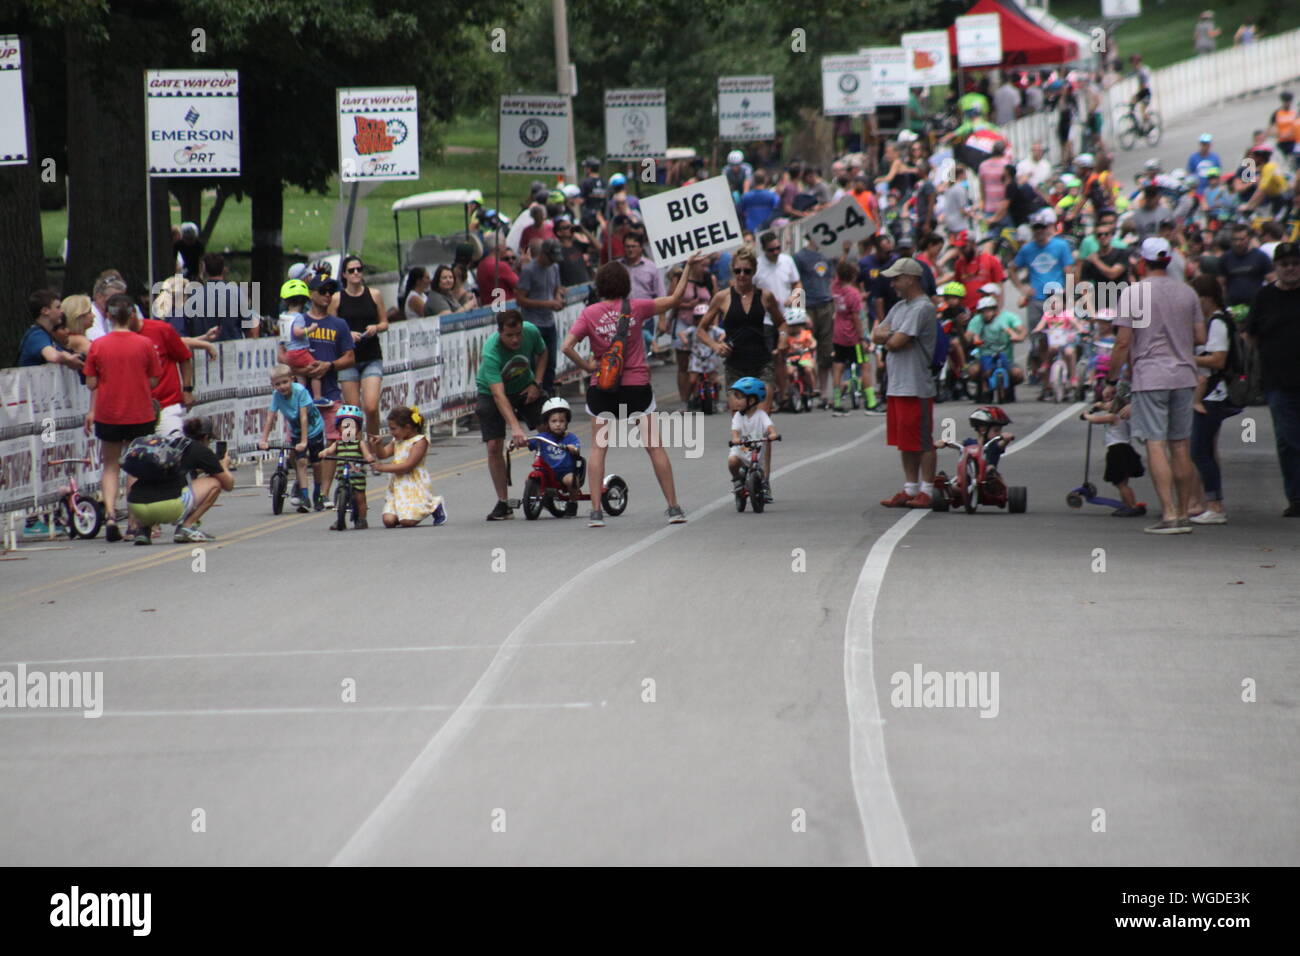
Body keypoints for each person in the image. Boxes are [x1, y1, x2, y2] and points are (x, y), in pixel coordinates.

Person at [562, 257, 703, 526]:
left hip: (602, 388)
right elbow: (674, 300)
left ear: (600, 285)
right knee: (654, 447)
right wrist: (687, 267)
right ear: (626, 284)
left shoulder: (589, 313)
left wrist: (589, 366)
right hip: (636, 386)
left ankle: (595, 512)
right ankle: (673, 508)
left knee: (599, 449)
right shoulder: (636, 307)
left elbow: (566, 346)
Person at [1109, 237, 1206, 534]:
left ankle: (1169, 514)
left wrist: (1112, 380)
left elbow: (1123, 341)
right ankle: (1186, 512)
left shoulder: (1133, 293)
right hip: (1184, 376)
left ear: (1142, 261)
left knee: (1155, 443)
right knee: (1180, 445)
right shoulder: (1187, 292)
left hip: (1150, 376)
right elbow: (1200, 337)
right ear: (1168, 260)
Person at [83, 293, 163, 543]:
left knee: (110, 465)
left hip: (109, 411)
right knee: (135, 466)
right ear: (131, 315)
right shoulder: (145, 344)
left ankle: (108, 515)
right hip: (139, 411)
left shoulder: (98, 345)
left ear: (107, 315)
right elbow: (153, 379)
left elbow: (92, 382)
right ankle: (133, 521)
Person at [873, 257, 938, 509]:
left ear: (910, 279)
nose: (892, 284)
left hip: (916, 383)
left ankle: (927, 489)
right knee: (905, 440)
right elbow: (878, 334)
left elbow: (896, 342)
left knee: (922, 440)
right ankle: (910, 487)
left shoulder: (922, 308)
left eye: (896, 279)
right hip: (897, 383)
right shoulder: (900, 307)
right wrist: (891, 337)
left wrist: (890, 338)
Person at [1243, 242, 1300, 516]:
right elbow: (1250, 337)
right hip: (1277, 382)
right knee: (1288, 440)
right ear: (1276, 267)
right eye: (1285, 264)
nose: (1290, 268)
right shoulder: (1265, 296)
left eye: (1295, 263)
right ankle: (1296, 497)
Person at [696, 246, 787, 416]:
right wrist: (716, 346)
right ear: (733, 270)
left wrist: (782, 340)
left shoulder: (765, 296)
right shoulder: (722, 297)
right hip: (735, 365)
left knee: (763, 418)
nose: (742, 275)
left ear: (754, 271)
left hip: (762, 363)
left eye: (747, 271)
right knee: (739, 419)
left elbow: (782, 324)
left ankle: (764, 442)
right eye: (738, 271)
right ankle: (742, 443)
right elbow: (700, 330)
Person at [478, 310, 548, 521]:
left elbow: (543, 353)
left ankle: (553, 480)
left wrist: (537, 382)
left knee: (550, 428)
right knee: (493, 446)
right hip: (492, 391)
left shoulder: (531, 331)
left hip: (525, 385)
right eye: (509, 335)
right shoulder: (491, 351)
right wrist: (516, 428)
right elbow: (499, 396)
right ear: (500, 333)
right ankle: (503, 503)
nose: (516, 339)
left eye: (518, 333)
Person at [1184, 275, 1241, 524]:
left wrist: (1188, 358)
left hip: (1212, 394)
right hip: (1211, 392)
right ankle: (1211, 502)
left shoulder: (1217, 322)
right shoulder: (1217, 320)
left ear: (1206, 298)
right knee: (1205, 449)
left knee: (1200, 451)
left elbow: (1218, 359)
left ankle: (1215, 505)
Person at [126, 415, 233, 545]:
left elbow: (178, 472)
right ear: (205, 438)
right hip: (169, 507)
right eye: (210, 440)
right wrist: (224, 466)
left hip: (137, 507)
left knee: (156, 481)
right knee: (214, 483)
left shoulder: (171, 445)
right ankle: (187, 527)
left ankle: (143, 530)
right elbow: (228, 485)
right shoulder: (201, 451)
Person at [329, 255, 388, 438]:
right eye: (351, 270)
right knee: (353, 411)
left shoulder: (374, 294)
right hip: (348, 358)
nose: (356, 273)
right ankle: (353, 453)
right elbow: (330, 328)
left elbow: (384, 322)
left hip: (371, 356)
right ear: (344, 275)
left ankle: (373, 446)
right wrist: (346, 335)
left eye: (359, 269)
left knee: (371, 406)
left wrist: (375, 328)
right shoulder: (337, 299)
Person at [1013, 209, 1075, 382]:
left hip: (1057, 298)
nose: (1039, 231)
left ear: (1048, 227)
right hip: (1037, 299)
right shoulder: (1027, 249)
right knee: (1040, 338)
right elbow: (1012, 268)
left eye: (1042, 227)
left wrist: (1069, 296)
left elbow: (1068, 271)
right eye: (1036, 228)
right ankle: (1045, 377)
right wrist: (1022, 288)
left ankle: (1069, 373)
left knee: (1063, 334)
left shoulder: (1060, 246)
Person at [258, 364, 326, 513]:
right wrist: (264, 439)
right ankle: (305, 496)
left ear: (292, 379)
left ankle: (318, 493)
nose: (282, 387)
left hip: (313, 430)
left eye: (285, 382)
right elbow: (270, 417)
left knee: (316, 463)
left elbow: (303, 417)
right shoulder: (277, 396)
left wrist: (304, 441)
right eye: (277, 384)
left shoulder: (300, 391)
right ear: (273, 385)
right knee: (300, 461)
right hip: (296, 432)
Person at [368, 405, 445, 528]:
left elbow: (407, 466)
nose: (391, 432)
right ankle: (405, 513)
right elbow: (383, 454)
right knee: (388, 521)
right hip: (398, 485)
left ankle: (435, 505)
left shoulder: (420, 441)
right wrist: (378, 445)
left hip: (413, 484)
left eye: (393, 429)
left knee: (407, 522)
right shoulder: (397, 440)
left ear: (408, 427)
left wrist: (382, 468)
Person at [1081, 387, 1147, 518]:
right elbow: (1105, 406)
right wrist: (1099, 406)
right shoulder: (1123, 417)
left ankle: (1131, 506)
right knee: (1123, 482)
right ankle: (1131, 504)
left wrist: (1086, 415)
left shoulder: (1113, 417)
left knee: (1120, 483)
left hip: (1117, 451)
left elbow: (1096, 420)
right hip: (1126, 449)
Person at [516, 239, 566, 395]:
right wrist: (547, 304)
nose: (552, 262)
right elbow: (521, 299)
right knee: (531, 362)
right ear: (543, 254)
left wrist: (558, 298)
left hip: (549, 321)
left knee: (550, 362)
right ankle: (530, 393)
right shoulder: (529, 271)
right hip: (532, 322)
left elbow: (556, 288)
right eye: (550, 258)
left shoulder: (555, 268)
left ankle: (548, 393)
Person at [793, 234, 836, 405]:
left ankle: (825, 392)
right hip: (809, 306)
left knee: (826, 351)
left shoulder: (828, 255)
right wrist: (799, 311)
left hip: (826, 304)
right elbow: (796, 284)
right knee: (806, 348)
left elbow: (831, 280)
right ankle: (810, 388)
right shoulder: (799, 257)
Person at [666, 257, 714, 404]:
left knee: (703, 360)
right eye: (702, 265)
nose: (705, 269)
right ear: (693, 265)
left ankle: (701, 396)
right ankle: (684, 401)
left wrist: (715, 323)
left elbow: (715, 302)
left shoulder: (709, 279)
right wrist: (687, 305)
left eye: (707, 265)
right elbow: (670, 300)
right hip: (683, 322)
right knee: (684, 363)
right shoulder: (680, 278)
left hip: (703, 325)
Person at [829, 259, 870, 413]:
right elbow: (856, 318)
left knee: (838, 366)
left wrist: (844, 256)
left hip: (838, 333)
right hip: (851, 335)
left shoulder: (835, 288)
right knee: (864, 365)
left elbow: (837, 275)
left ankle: (837, 402)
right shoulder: (854, 294)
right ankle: (871, 401)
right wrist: (862, 338)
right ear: (853, 276)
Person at [726, 378, 779, 497]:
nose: (735, 401)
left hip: (756, 450)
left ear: (751, 400)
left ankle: (763, 487)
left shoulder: (761, 415)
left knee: (759, 471)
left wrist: (773, 434)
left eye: (739, 397)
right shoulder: (738, 416)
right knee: (732, 461)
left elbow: (769, 426)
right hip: (741, 449)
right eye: (735, 397)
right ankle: (737, 480)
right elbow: (735, 430)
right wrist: (735, 438)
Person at [965, 295, 1027, 395]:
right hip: (985, 354)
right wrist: (974, 340)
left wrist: (1016, 336)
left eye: (989, 311)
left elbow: (1014, 330)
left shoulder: (1003, 320)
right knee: (981, 370)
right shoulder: (978, 321)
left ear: (995, 310)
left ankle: (1008, 386)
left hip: (1004, 354)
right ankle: (983, 387)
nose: (986, 314)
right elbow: (972, 335)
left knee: (1015, 372)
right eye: (984, 311)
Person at [529, 397, 582, 512]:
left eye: (561, 421)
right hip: (546, 472)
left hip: (564, 472)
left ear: (567, 422)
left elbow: (576, 448)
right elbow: (528, 442)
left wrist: (571, 448)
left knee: (571, 480)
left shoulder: (570, 438)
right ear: (547, 422)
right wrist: (516, 443)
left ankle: (573, 503)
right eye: (554, 421)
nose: (558, 424)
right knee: (529, 481)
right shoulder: (542, 437)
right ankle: (539, 499)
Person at [18, 290, 83, 372]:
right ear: (45, 311)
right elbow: (53, 356)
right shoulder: (36, 335)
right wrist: (68, 359)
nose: (62, 311)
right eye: (58, 307)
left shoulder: (47, 336)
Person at [1218, 224, 1274, 306]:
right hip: (1232, 308)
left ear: (1249, 239)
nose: (1238, 243)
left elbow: (1272, 281)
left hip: (1256, 306)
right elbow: (1221, 284)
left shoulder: (1261, 257)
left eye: (1242, 239)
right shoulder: (1225, 258)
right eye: (1235, 239)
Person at [476, 237, 519, 307]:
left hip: (488, 309)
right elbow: (521, 286)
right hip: (507, 309)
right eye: (504, 246)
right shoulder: (500, 266)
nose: (505, 249)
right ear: (498, 248)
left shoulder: (481, 266)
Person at [1268, 91, 1297, 168]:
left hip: (1294, 141)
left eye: (1289, 101)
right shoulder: (1277, 113)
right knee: (1285, 161)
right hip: (1282, 142)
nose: (1288, 103)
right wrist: (1277, 133)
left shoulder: (1294, 112)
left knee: (1294, 159)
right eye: (1286, 101)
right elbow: (1270, 129)